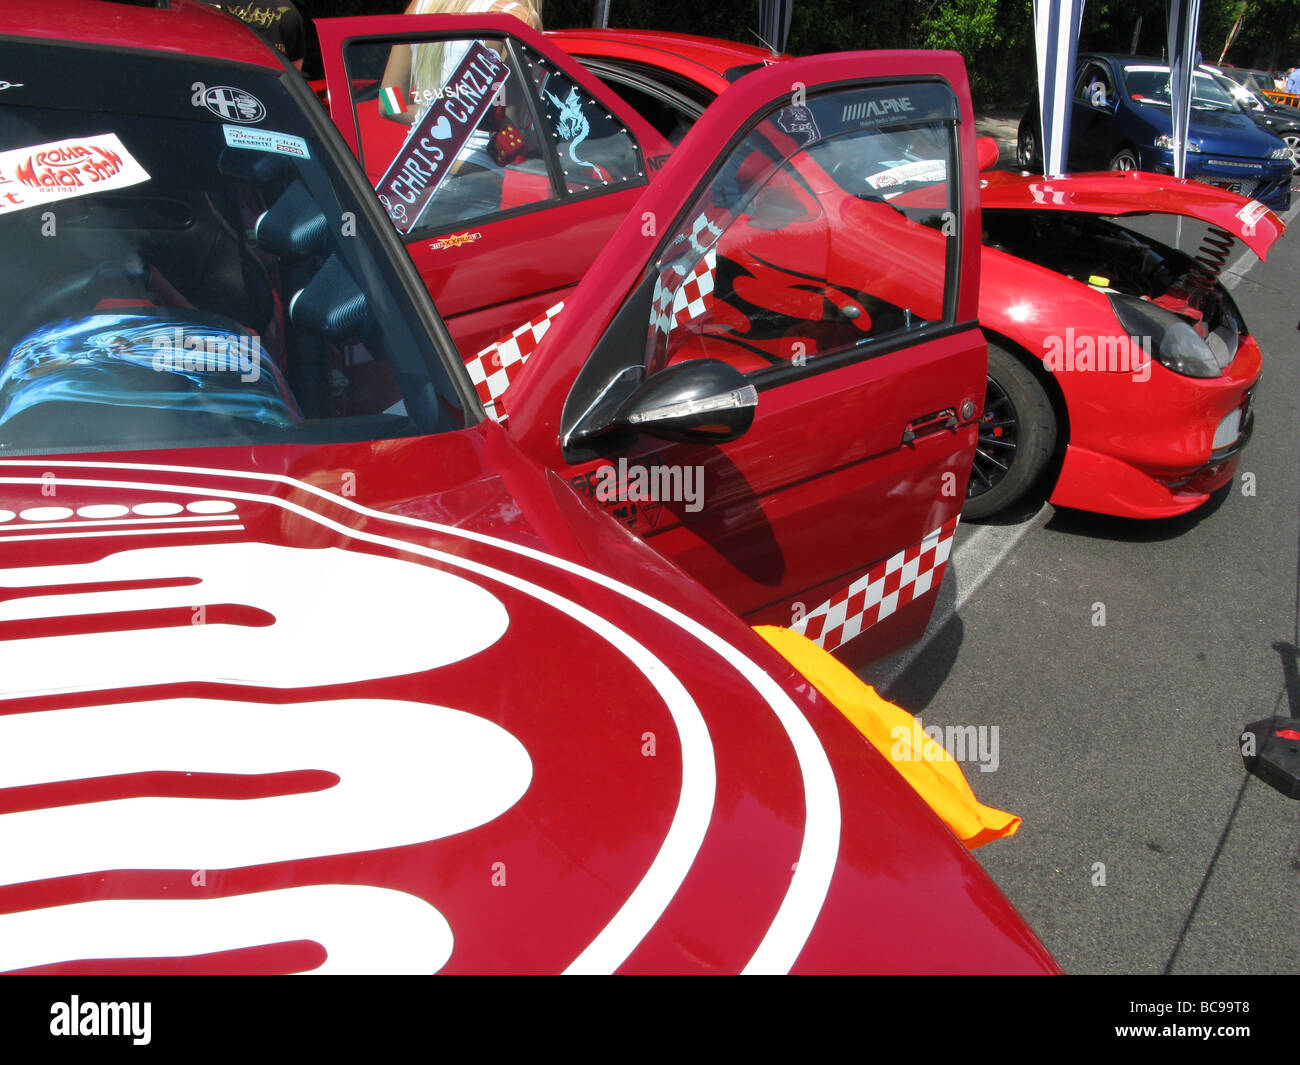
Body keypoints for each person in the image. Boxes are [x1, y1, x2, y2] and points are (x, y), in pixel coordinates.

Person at [203, 2, 306, 70]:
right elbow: (294, 75)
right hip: (266, 94)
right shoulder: (288, 11)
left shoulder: (202, 5)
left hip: (211, 88)